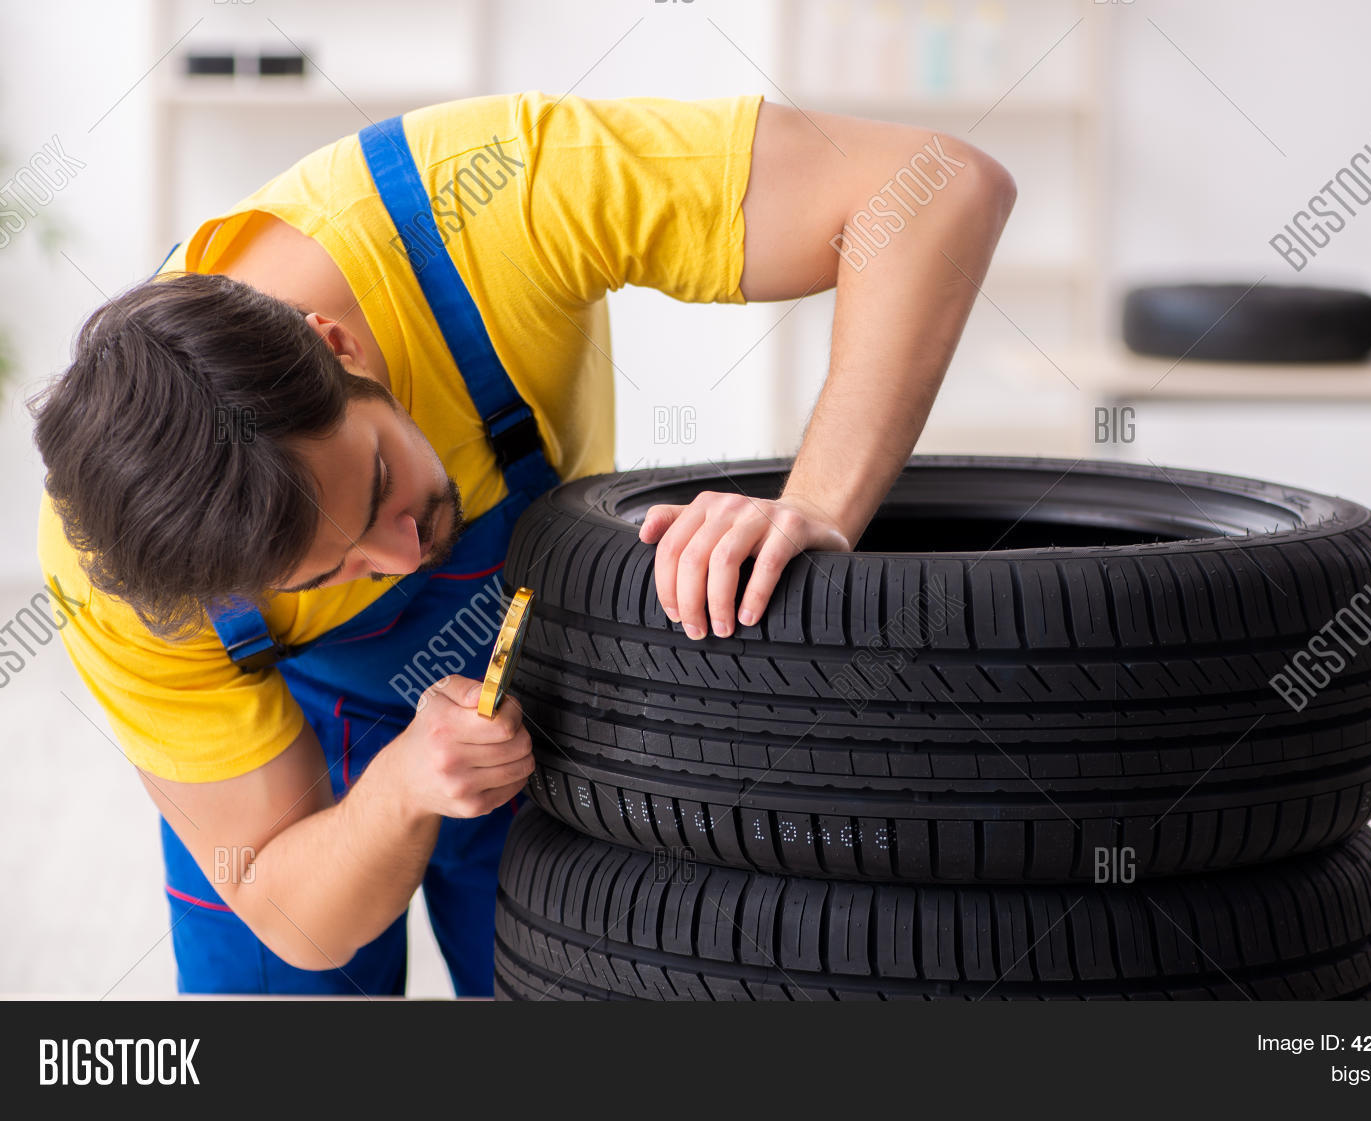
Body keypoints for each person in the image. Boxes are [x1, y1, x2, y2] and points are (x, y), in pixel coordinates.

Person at [30, 90, 1015, 995]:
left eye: (381, 486)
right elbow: (298, 913)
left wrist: (820, 502)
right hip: (286, 762)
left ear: (335, 343)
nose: (403, 553)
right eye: (331, 570)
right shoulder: (122, 571)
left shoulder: (484, 205)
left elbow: (937, 187)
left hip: (529, 693)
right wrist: (400, 791)